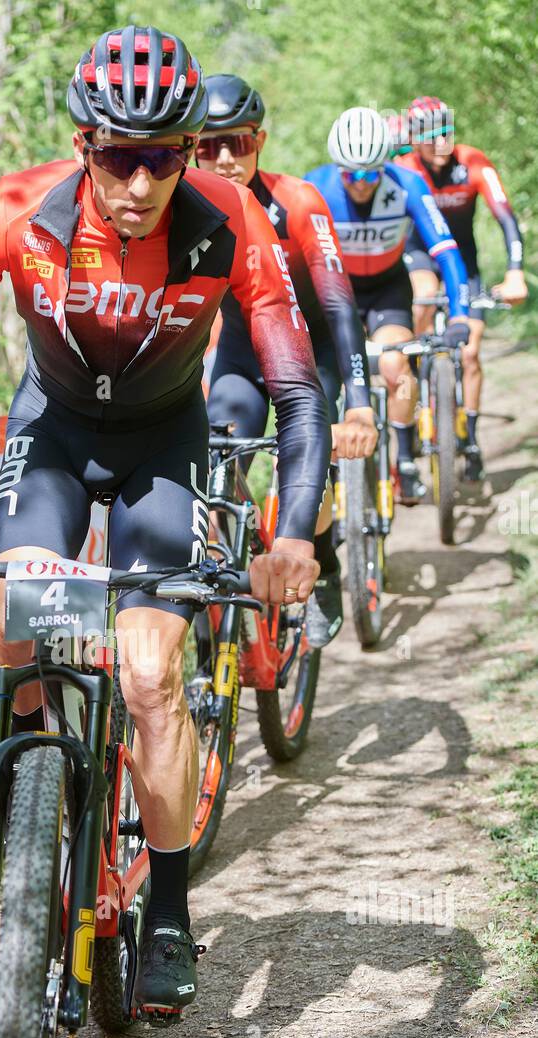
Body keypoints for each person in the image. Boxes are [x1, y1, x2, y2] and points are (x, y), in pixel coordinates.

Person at [0, 27, 331, 1021]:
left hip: (161, 447)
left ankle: (165, 913)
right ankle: (24, 838)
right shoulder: (14, 213)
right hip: (49, 434)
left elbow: (297, 391)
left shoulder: (230, 227)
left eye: (162, 158)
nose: (140, 182)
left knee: (144, 675)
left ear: (185, 153)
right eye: (118, 156)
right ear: (83, 145)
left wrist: (291, 536)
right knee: (22, 632)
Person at [196, 74, 377, 648]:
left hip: (311, 350)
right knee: (213, 464)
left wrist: (361, 403)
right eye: (208, 145)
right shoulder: (185, 209)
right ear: (189, 148)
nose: (224, 158)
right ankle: (227, 579)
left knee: (307, 466)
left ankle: (320, 563)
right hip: (243, 352)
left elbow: (340, 305)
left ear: (261, 141)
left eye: (239, 143)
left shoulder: (298, 200)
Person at [305, 107, 471, 503]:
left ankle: (406, 458)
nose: (360, 184)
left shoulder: (408, 184)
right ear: (336, 166)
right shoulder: (315, 188)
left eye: (370, 174)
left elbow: (446, 251)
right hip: (334, 292)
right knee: (324, 379)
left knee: (398, 366)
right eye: (351, 174)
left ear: (384, 165)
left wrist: (461, 313)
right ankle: (325, 474)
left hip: (386, 290)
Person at [397, 96, 528, 479]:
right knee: (421, 297)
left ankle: (468, 438)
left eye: (446, 133)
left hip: (464, 262)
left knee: (470, 353)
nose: (441, 142)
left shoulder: (473, 162)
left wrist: (515, 270)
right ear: (414, 140)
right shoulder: (404, 169)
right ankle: (415, 367)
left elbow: (505, 217)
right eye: (430, 136)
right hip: (420, 255)